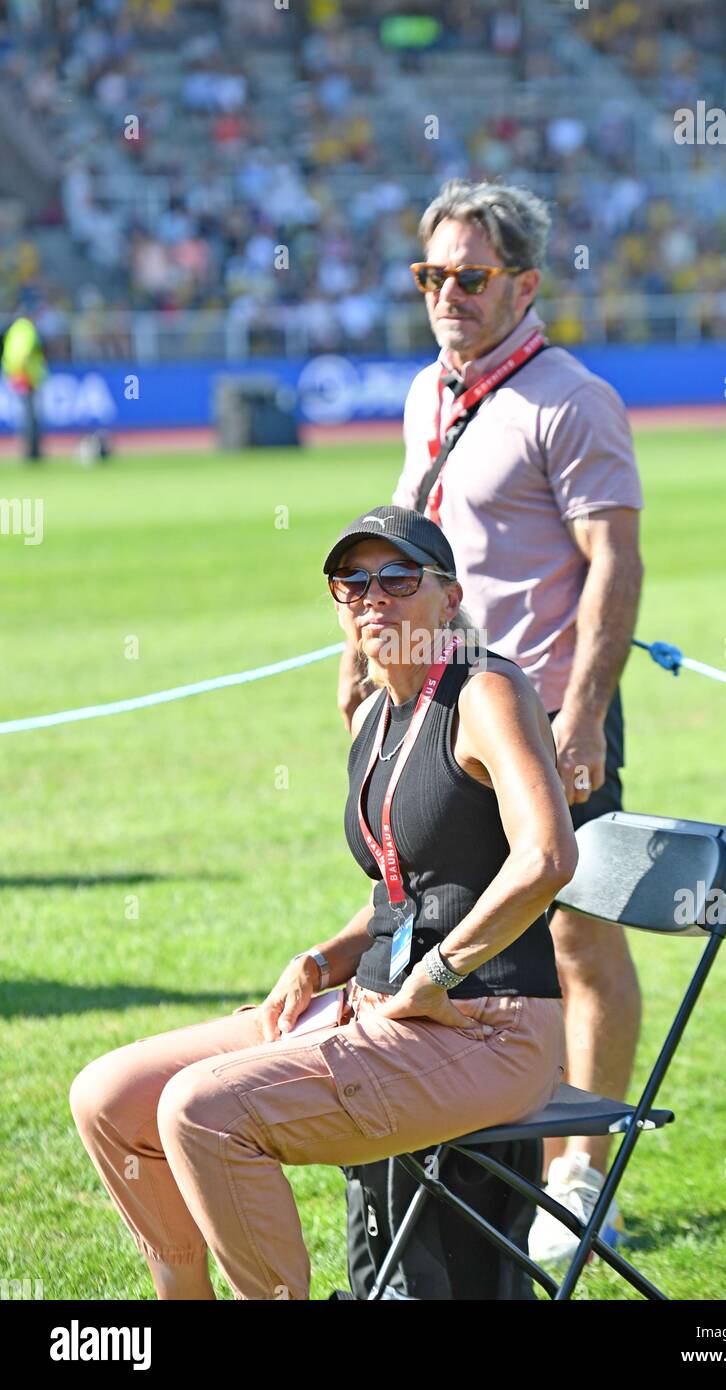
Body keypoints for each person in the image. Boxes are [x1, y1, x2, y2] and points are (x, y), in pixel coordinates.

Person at [68, 505, 576, 1301]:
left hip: (490, 1024)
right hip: (383, 1005)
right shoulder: (374, 712)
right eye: (354, 582)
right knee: (109, 1097)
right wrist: (318, 961)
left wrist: (439, 968)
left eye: (399, 578)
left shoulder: (487, 692)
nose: (375, 597)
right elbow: (402, 889)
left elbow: (547, 858)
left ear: (448, 596)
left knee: (204, 1110)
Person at [337, 178, 645, 1265]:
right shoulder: (430, 390)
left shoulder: (570, 398)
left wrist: (587, 715)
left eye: (470, 277)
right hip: (438, 713)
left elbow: (613, 558)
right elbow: (404, 539)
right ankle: (480, 1144)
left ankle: (579, 1170)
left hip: (547, 709)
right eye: (431, 276)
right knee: (440, 909)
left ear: (521, 282)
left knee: (572, 930)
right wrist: (358, 657)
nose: (447, 295)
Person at [1, 313, 47, 461]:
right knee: (30, 416)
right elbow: (24, 353)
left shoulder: (14, 330)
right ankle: (32, 451)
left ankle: (28, 449)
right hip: (27, 378)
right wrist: (23, 374)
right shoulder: (27, 330)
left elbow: (10, 354)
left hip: (16, 376)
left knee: (25, 414)